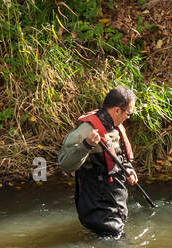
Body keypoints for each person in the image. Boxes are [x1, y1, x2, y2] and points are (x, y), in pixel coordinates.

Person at [57, 86, 139, 238]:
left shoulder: (114, 127)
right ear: (116, 110)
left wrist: (128, 168)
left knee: (115, 239)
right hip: (99, 206)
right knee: (116, 244)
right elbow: (64, 163)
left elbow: (118, 154)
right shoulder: (86, 130)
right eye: (129, 113)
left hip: (114, 202)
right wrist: (86, 145)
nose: (129, 116)